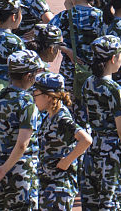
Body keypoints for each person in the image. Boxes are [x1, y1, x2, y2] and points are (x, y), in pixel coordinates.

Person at [79, 35, 121, 211]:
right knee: (110, 202)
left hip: (92, 148)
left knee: (91, 202)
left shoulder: (88, 83)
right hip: (112, 153)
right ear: (113, 58)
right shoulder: (114, 90)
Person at [0, 50, 44, 210]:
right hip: (21, 168)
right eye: (37, 72)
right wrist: (5, 169)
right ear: (28, 76)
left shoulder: (0, 96)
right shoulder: (28, 103)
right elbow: (22, 145)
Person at [32, 72, 92, 211]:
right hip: (48, 183)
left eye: (36, 94)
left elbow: (86, 140)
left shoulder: (62, 118)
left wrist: (67, 161)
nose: (34, 98)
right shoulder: (50, 115)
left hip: (58, 187)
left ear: (48, 96)